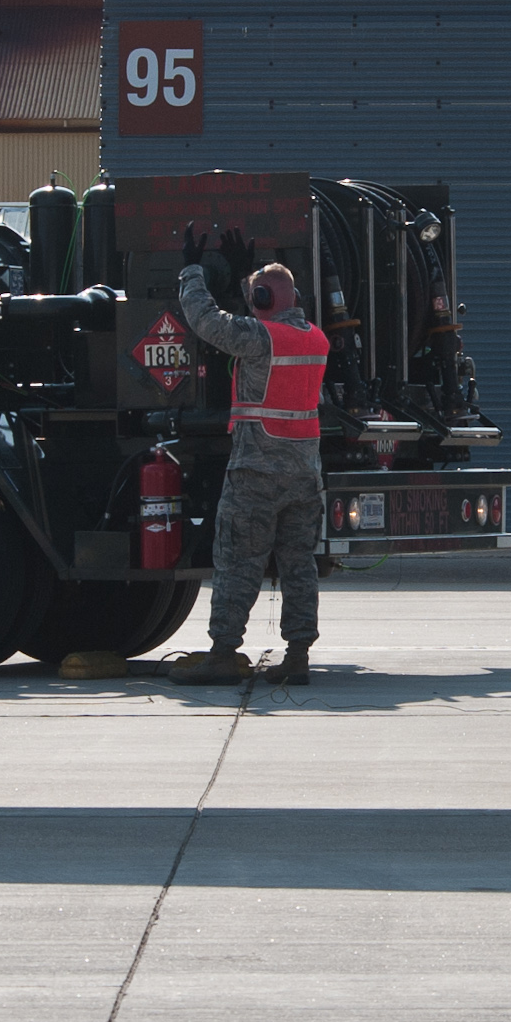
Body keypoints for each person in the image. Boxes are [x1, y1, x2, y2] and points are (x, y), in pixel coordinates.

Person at [168, 224, 330, 687]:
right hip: (304, 474)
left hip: (256, 471)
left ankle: (222, 653)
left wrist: (191, 271)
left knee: (238, 561)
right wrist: (245, 277)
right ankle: (298, 655)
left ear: (261, 299)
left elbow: (207, 321)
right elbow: (263, 316)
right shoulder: (314, 339)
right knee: (298, 565)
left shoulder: (261, 339)